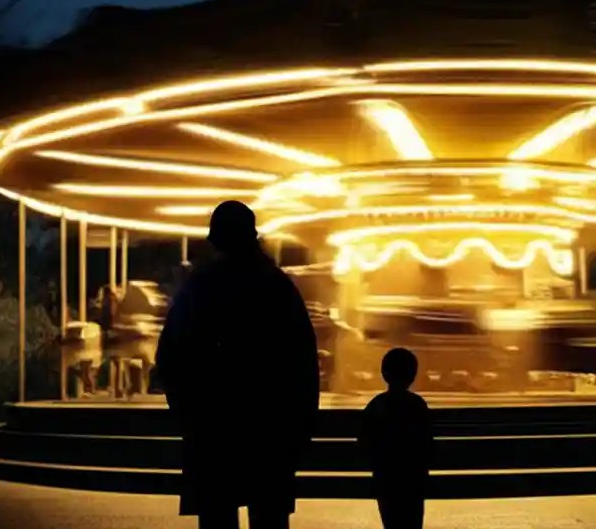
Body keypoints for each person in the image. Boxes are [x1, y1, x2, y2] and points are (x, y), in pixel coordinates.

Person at [156, 201, 319, 529]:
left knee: (216, 514)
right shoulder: (277, 286)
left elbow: (171, 356)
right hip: (270, 428)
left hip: (212, 428)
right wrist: (300, 425)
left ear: (216, 239)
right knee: (269, 516)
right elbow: (302, 359)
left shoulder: (200, 288)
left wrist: (187, 413)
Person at [359, 347, 433, 529]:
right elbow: (427, 444)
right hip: (413, 480)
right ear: (413, 375)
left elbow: (363, 440)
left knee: (391, 519)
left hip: (385, 480)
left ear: (384, 374)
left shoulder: (376, 405)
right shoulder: (417, 405)